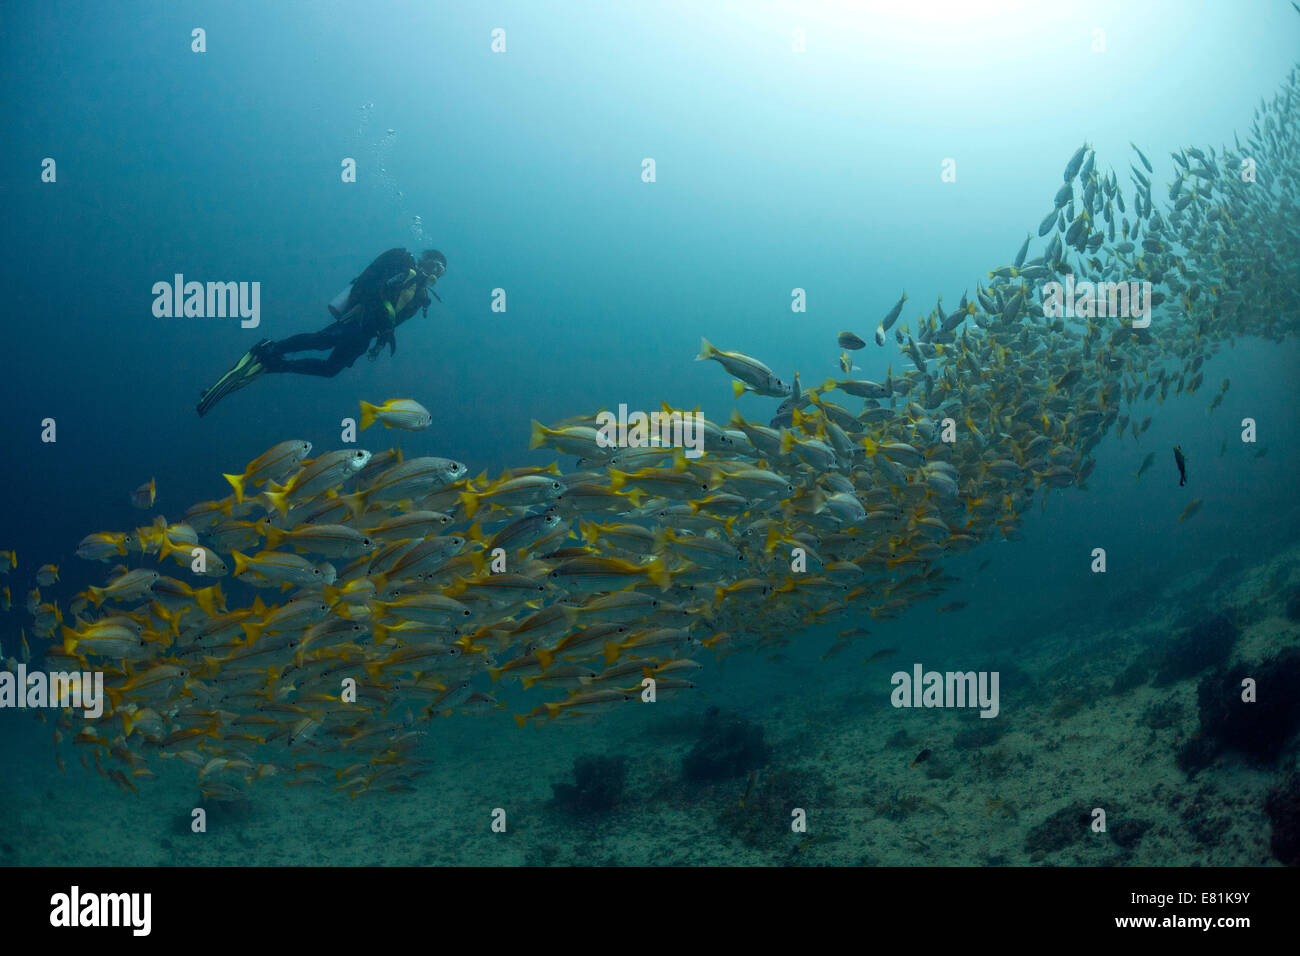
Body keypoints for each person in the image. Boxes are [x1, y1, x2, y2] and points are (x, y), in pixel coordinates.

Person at [196, 248, 446, 416]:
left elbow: (394, 322)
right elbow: (377, 290)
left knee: (330, 370)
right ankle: (271, 348)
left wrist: (381, 341)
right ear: (423, 260)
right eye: (433, 265)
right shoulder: (403, 268)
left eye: (440, 271)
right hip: (357, 318)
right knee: (322, 341)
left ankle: (273, 364)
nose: (434, 272)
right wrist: (383, 321)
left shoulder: (420, 299)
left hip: (366, 335)